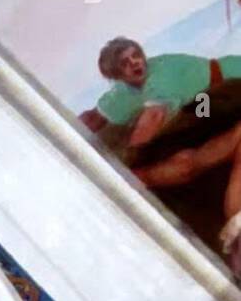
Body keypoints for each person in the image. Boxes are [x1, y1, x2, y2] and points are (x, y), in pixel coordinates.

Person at [82, 38, 241, 273]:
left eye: (136, 55)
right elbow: (93, 118)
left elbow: (154, 117)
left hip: (224, 88)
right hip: (200, 110)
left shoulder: (161, 73)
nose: (135, 62)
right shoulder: (122, 94)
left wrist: (127, 168)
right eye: (125, 62)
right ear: (116, 75)